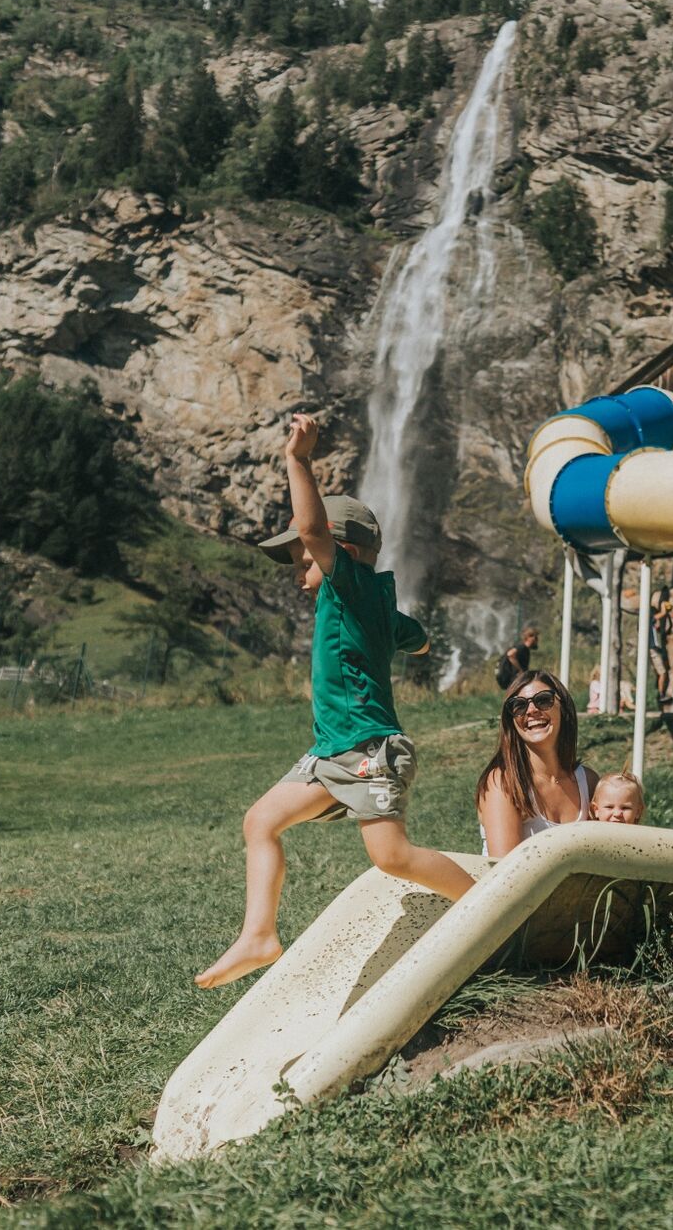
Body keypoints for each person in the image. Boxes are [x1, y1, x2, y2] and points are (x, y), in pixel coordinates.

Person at [197, 414, 475, 990]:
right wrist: (418, 639)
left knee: (392, 857)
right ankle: (259, 935)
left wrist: (297, 460)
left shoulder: (347, 587)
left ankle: (486, 906)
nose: (299, 572)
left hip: (370, 749)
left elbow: (313, 528)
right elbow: (413, 633)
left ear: (339, 553)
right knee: (261, 822)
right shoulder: (375, 604)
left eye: (303, 561)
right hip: (331, 751)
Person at [478, 670, 599, 858]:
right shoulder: (504, 784)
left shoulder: (589, 782)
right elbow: (506, 873)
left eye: (543, 700)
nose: (532, 710)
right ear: (511, 721)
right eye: (518, 705)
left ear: (563, 708)